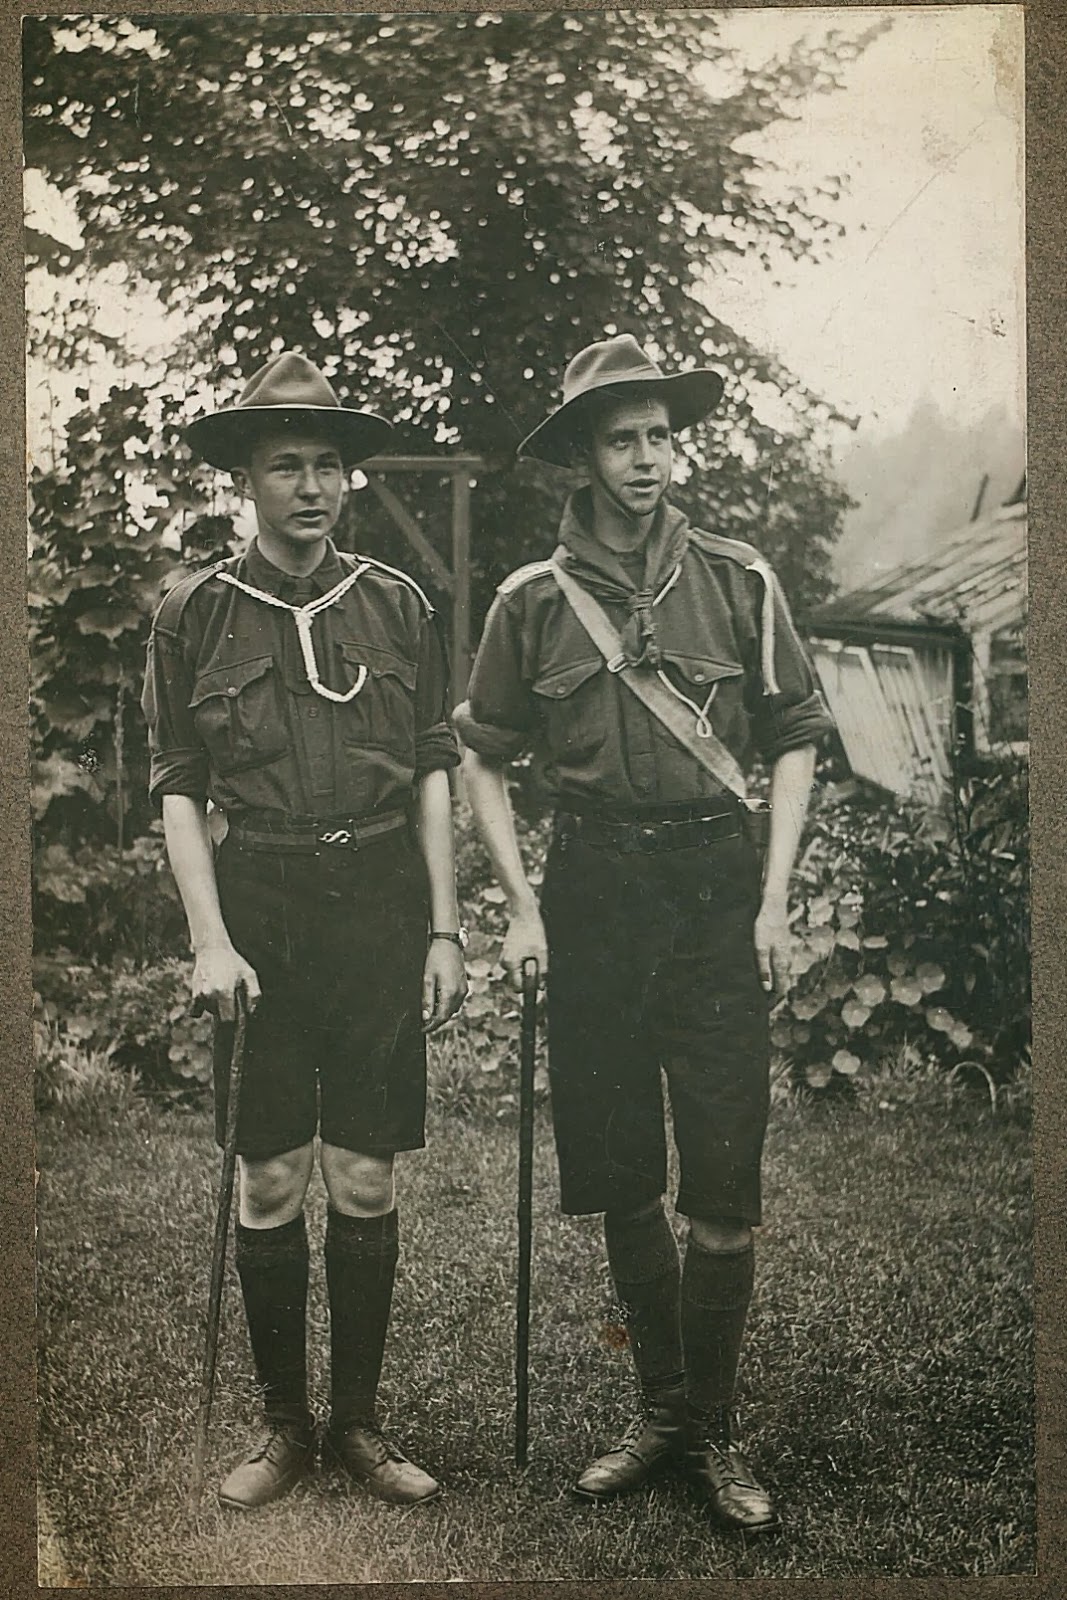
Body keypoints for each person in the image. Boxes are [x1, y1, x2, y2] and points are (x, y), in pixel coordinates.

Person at [455, 333, 834, 1534]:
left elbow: (791, 740)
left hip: (717, 893)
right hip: (595, 893)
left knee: (722, 1173)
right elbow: (478, 754)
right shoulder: (528, 602)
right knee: (620, 1166)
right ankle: (661, 1406)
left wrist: (773, 901)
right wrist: (517, 905)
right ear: (581, 453)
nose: (647, 458)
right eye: (621, 438)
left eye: (661, 434)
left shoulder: (737, 577)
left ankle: (714, 1430)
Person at [142, 352, 468, 1512]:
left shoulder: (397, 604)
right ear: (247, 478)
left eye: (330, 464)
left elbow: (434, 767)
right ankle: (285, 1424)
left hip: (378, 897)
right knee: (272, 1174)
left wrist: (441, 926)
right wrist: (208, 937)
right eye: (287, 464)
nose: (313, 486)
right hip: (264, 902)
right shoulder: (194, 613)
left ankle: (361, 1425)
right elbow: (178, 783)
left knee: (366, 1175)